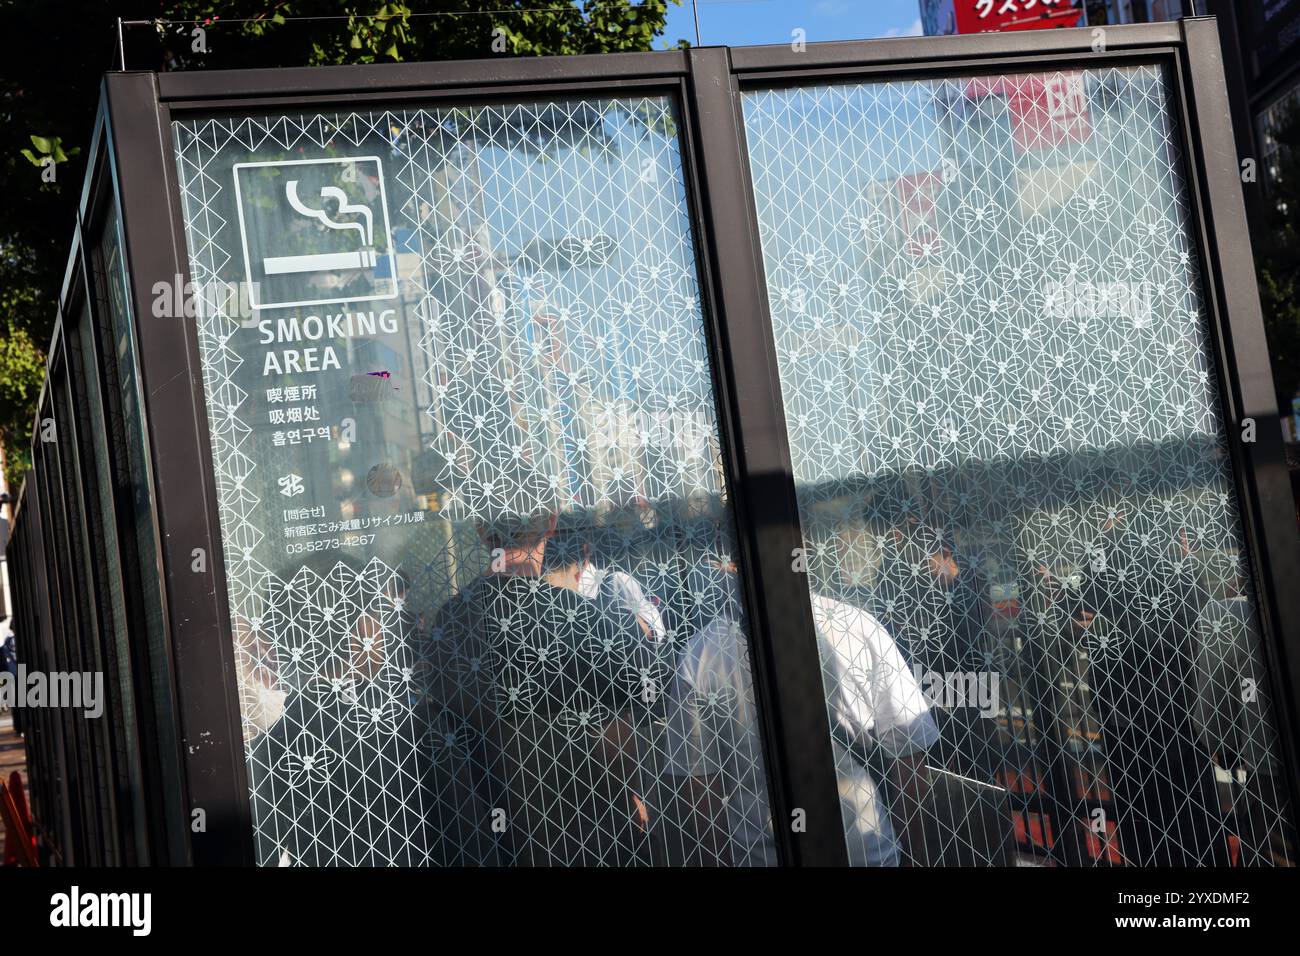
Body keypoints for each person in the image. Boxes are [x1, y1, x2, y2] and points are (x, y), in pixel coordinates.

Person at [426, 505, 671, 865]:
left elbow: (450, 736)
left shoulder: (448, 625)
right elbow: (646, 710)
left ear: (479, 529)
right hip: (591, 835)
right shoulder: (581, 618)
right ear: (551, 525)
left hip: (497, 838)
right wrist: (624, 786)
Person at [662, 587, 939, 866]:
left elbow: (701, 792)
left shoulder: (700, 656)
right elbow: (909, 758)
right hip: (868, 855)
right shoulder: (860, 628)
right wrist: (915, 856)